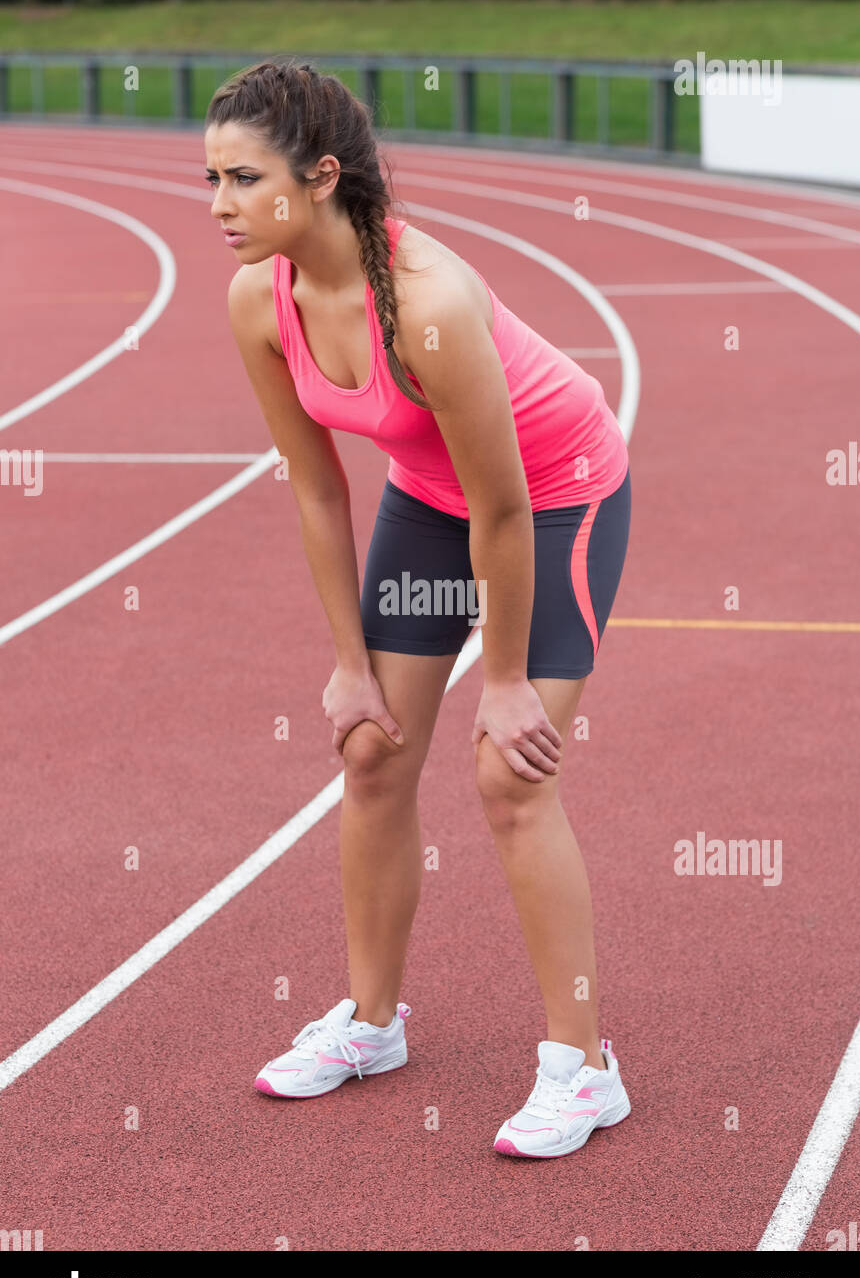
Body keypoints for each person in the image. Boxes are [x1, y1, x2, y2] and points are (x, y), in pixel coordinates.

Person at [205, 56, 632, 1158]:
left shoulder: (430, 304)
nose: (220, 208)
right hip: (431, 500)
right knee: (369, 747)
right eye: (211, 181)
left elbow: (503, 507)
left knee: (509, 772)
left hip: (553, 496)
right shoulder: (260, 299)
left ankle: (582, 1068)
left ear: (322, 178)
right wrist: (348, 661)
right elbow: (312, 484)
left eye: (244, 181)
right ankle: (369, 1022)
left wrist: (497, 683)